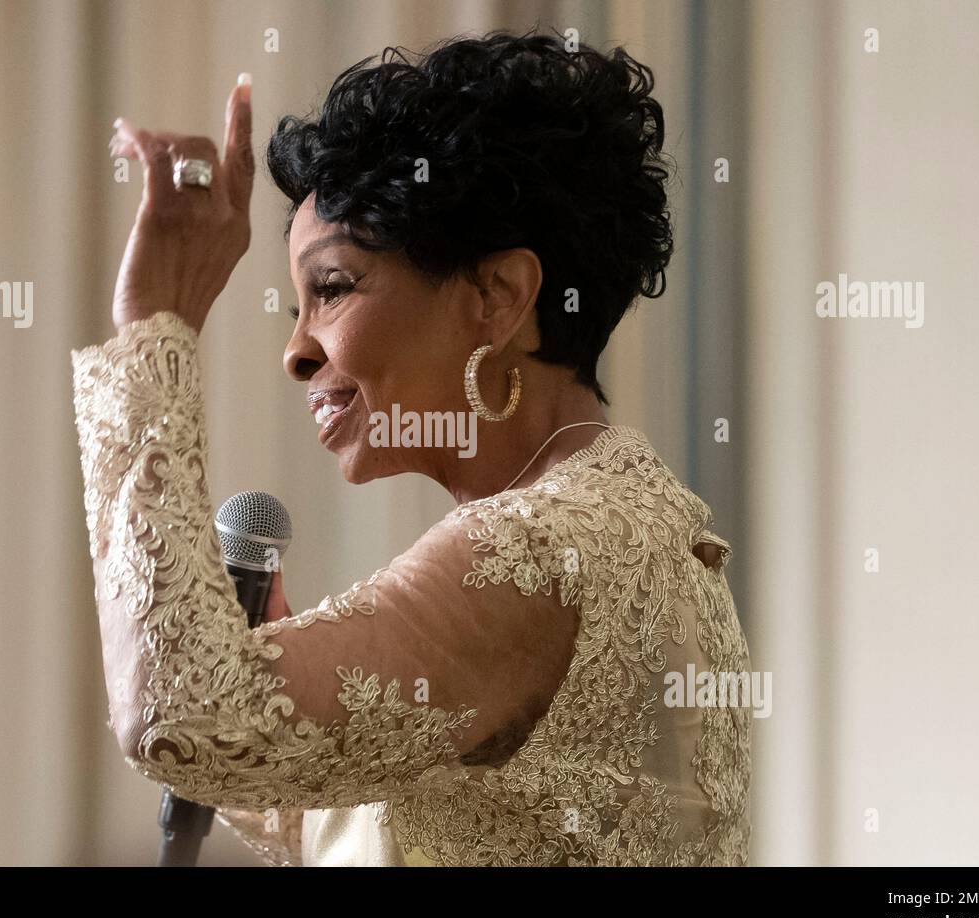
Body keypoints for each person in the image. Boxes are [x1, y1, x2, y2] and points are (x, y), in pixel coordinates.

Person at [73, 30, 751, 866]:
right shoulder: (634, 520)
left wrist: (153, 323)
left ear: (497, 297)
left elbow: (178, 717)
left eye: (331, 288)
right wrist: (273, 706)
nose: (297, 351)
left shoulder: (538, 554)